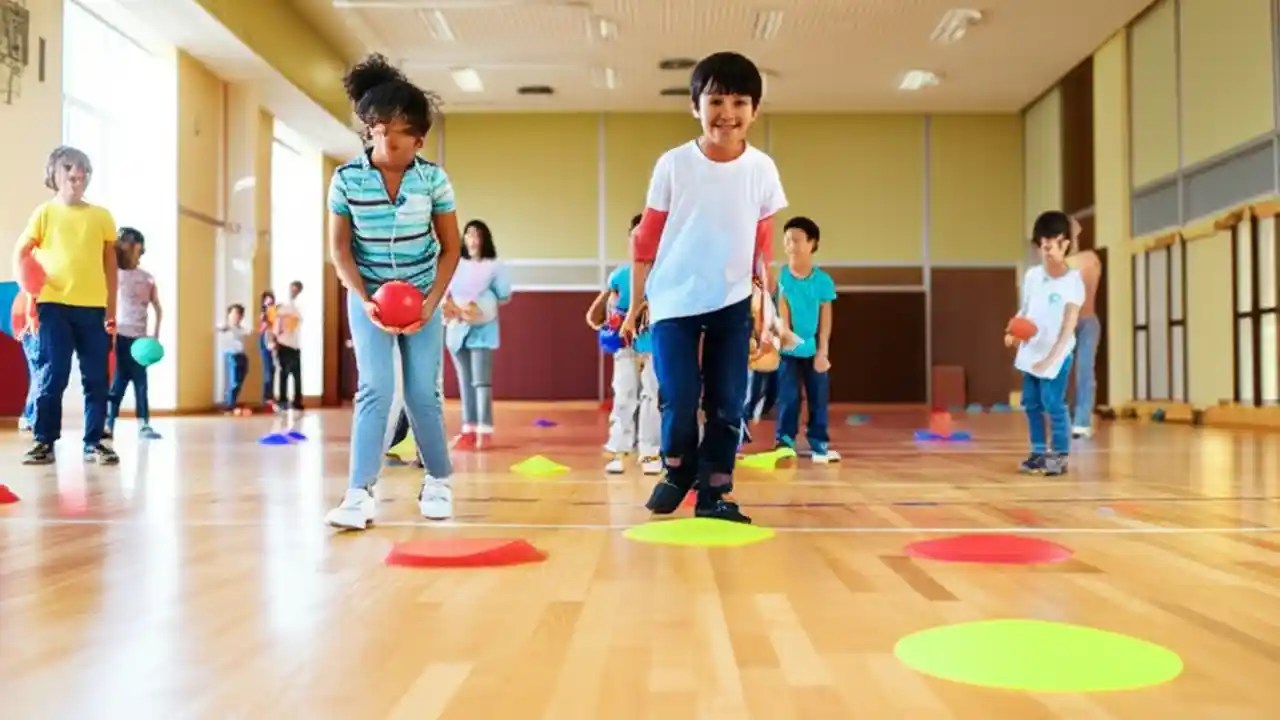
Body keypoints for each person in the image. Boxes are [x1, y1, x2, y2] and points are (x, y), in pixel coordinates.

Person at [622, 51, 787, 524]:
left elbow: (761, 246)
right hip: (673, 300)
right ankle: (678, 469)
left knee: (727, 401)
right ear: (695, 106)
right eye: (715, 101)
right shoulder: (674, 164)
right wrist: (636, 304)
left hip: (732, 300)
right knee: (678, 394)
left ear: (755, 110)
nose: (727, 114)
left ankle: (715, 490)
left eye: (739, 102)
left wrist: (765, 310)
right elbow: (645, 240)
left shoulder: (762, 169)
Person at [324, 53, 462, 530]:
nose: (386, 141)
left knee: (423, 392)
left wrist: (431, 303)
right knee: (375, 388)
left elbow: (450, 248)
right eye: (378, 130)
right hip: (369, 297)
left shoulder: (433, 179)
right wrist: (365, 299)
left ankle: (438, 481)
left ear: (418, 138)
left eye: (398, 132)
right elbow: (340, 250)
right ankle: (358, 493)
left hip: (423, 295)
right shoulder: (346, 179)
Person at [13, 146, 118, 466]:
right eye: (69, 168)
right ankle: (44, 441)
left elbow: (110, 266)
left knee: (96, 377)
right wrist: (30, 303)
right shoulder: (44, 213)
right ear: (54, 175)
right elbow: (23, 255)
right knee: (53, 373)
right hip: (53, 306)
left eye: (82, 168)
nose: (77, 173)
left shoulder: (101, 216)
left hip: (92, 309)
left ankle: (95, 441)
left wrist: (112, 311)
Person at [1007, 210, 1085, 476]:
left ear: (1065, 244)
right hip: (1032, 351)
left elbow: (1069, 326)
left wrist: (1050, 359)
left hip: (1057, 354)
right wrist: (1013, 331)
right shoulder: (1032, 276)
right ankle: (1038, 453)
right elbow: (1025, 311)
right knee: (1031, 403)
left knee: (1053, 402)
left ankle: (1059, 456)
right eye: (1043, 245)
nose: (1047, 250)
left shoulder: (1073, 282)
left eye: (1052, 244)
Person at [589, 214, 661, 475]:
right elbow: (602, 312)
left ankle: (650, 451)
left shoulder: (662, 275)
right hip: (625, 345)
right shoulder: (619, 275)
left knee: (653, 395)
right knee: (623, 394)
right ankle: (619, 449)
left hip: (654, 344)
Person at [773, 216, 839, 463]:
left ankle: (818, 440)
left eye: (797, 240)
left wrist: (822, 352)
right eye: (788, 240)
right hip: (788, 350)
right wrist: (786, 338)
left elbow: (825, 320)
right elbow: (782, 316)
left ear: (812, 243)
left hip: (813, 348)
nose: (791, 245)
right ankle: (785, 440)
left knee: (818, 396)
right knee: (788, 396)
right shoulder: (782, 277)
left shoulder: (823, 281)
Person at [443, 219, 511, 450]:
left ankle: (484, 430)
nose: (473, 240)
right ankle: (468, 429)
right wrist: (450, 308)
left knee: (481, 381)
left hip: (482, 328)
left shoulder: (494, 266)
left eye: (477, 235)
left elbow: (504, 294)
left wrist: (481, 305)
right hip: (457, 329)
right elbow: (444, 292)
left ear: (485, 240)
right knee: (465, 382)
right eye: (469, 235)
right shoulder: (455, 264)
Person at [105, 227, 163, 440]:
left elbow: (157, 308)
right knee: (118, 382)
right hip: (120, 336)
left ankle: (144, 424)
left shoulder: (147, 278)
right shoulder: (114, 275)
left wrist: (154, 335)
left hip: (141, 340)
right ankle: (108, 424)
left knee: (141, 383)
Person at [1066, 217, 1103, 439]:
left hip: (1087, 323)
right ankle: (1066, 417)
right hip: (1065, 325)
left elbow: (1088, 275)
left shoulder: (1089, 259)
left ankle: (1082, 421)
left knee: (1084, 369)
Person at [274, 281, 303, 411]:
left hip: (295, 344)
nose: (294, 292)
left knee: (297, 375)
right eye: (293, 290)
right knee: (284, 373)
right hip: (283, 343)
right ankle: (283, 400)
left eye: (297, 290)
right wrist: (275, 340)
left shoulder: (298, 306)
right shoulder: (282, 306)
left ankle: (297, 401)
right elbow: (276, 324)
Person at [217, 303, 250, 413]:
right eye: (234, 313)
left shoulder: (243, 330)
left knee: (239, 381)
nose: (236, 316)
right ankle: (229, 404)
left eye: (239, 314)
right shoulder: (225, 328)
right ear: (229, 315)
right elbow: (219, 329)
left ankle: (232, 402)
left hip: (242, 355)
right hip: (232, 355)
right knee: (234, 381)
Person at [257, 291, 277, 411]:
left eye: (271, 301)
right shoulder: (263, 314)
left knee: (272, 369)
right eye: (267, 301)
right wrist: (267, 321)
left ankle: (269, 397)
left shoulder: (275, 312)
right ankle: (267, 398)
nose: (270, 303)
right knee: (268, 370)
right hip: (265, 340)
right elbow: (263, 328)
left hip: (273, 340)